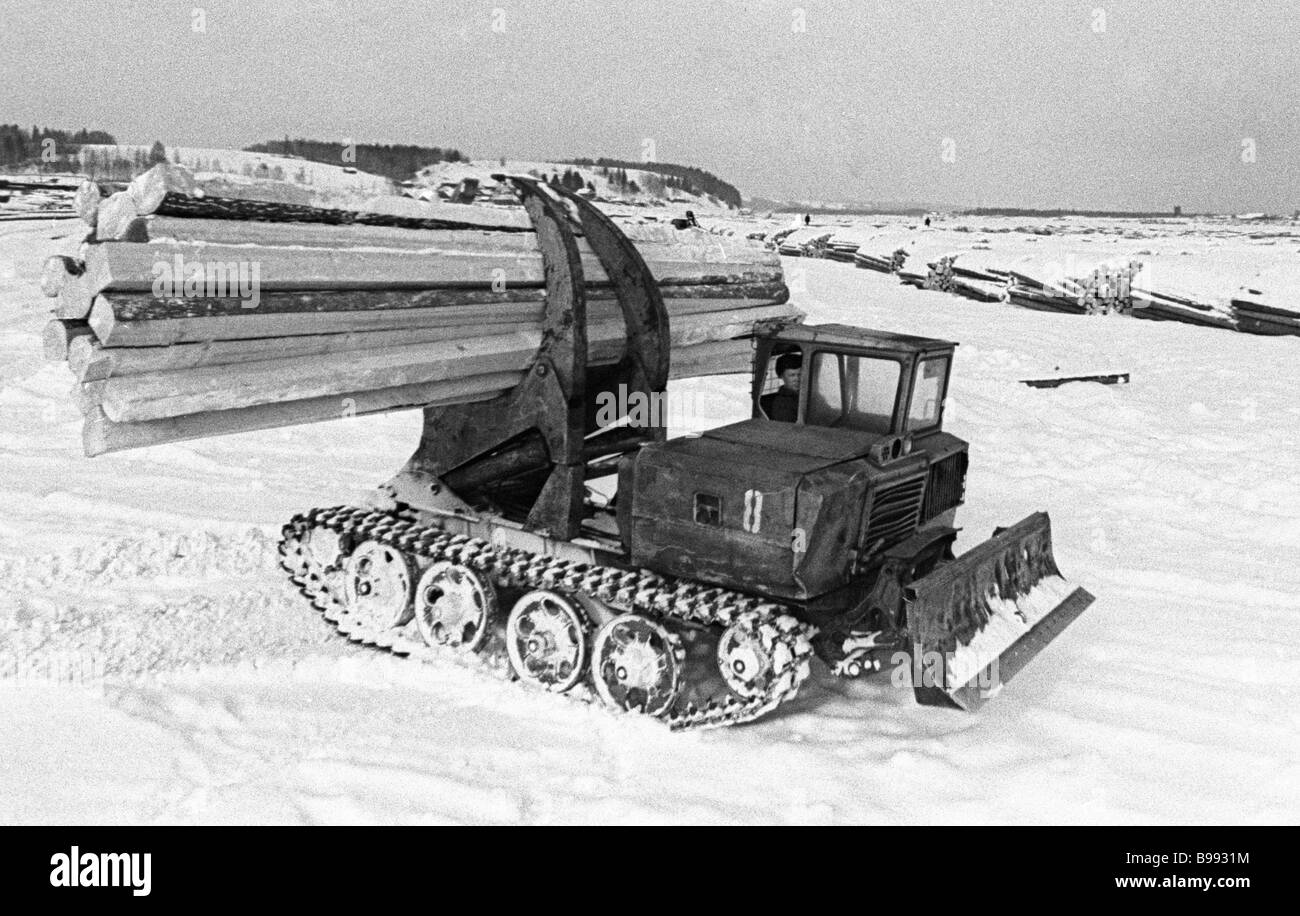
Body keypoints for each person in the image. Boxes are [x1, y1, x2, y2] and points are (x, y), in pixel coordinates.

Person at [759, 352, 802, 422]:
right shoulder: (783, 404)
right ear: (781, 376)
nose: (797, 379)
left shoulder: (808, 394)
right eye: (792, 375)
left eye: (800, 374)